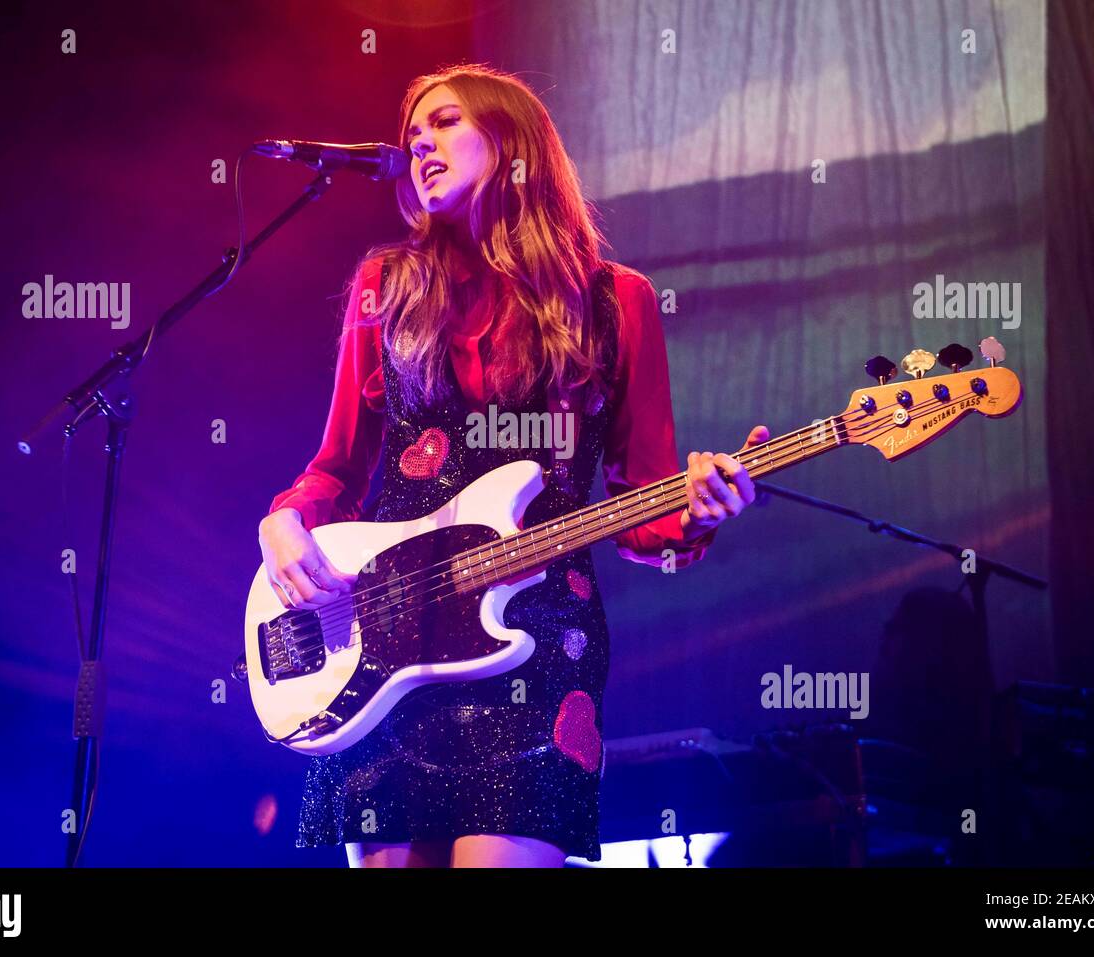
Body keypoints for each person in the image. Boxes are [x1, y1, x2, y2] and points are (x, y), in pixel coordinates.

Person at [257, 63, 768, 868]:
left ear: (513, 143)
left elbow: (643, 504)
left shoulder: (614, 300)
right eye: (413, 132)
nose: (421, 141)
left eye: (447, 122)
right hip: (391, 628)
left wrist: (696, 513)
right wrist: (282, 521)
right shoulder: (383, 288)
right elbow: (335, 467)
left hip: (536, 638)